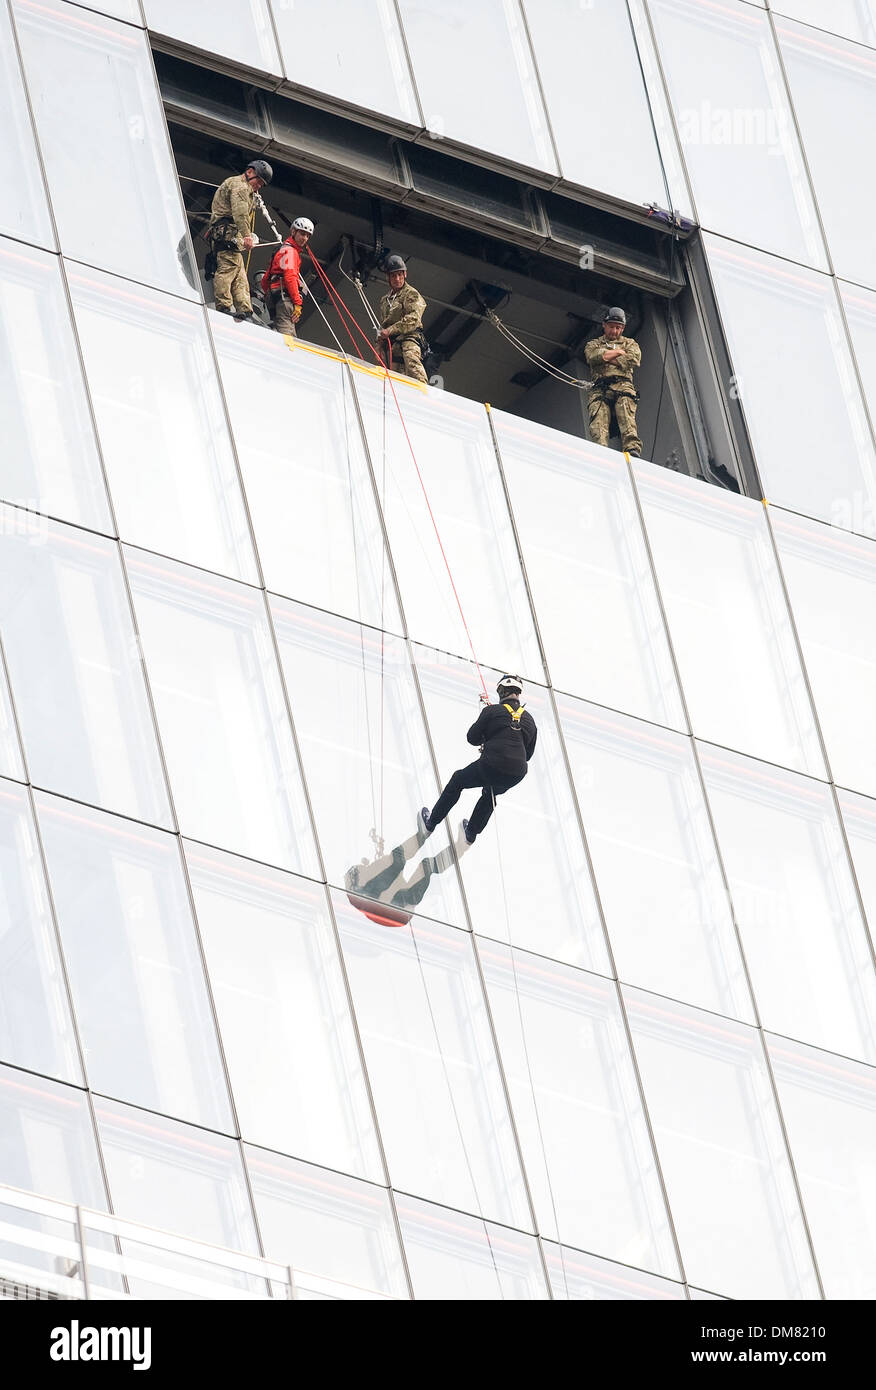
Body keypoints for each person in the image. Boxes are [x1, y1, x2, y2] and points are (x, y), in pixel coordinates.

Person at [419, 676, 537, 847]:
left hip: (492, 764)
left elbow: (471, 738)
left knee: (458, 781)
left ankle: (431, 822)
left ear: (502, 692)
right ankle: (471, 833)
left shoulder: (492, 711)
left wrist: (488, 738)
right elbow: (528, 754)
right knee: (491, 793)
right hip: (516, 773)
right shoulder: (530, 721)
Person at [205, 160, 273, 320]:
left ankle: (245, 309)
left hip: (230, 235)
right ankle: (224, 306)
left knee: (239, 274)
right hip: (227, 234)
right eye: (259, 181)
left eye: (262, 184)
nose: (258, 186)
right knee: (228, 268)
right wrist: (247, 235)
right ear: (250, 172)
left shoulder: (239, 186)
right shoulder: (241, 187)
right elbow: (240, 213)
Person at [584, 307, 643, 457]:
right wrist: (618, 353)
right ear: (604, 325)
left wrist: (606, 357)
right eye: (611, 327)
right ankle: (600, 450)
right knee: (598, 416)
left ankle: (631, 448)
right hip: (600, 387)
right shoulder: (593, 344)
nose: (614, 331)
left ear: (622, 328)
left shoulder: (630, 344)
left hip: (623, 385)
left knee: (625, 411)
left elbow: (633, 359)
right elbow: (593, 357)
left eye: (618, 328)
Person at [377, 254, 428, 383]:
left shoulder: (411, 294)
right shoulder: (385, 300)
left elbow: (413, 319)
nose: (397, 279)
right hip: (393, 344)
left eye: (400, 275)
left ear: (405, 274)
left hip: (409, 337)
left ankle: (423, 390)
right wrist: (379, 346)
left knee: (411, 362)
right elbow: (383, 325)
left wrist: (390, 330)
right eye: (393, 275)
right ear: (388, 277)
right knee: (394, 376)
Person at [261, 216, 314, 336]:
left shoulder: (281, 249)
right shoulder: (291, 252)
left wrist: (269, 294)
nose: (304, 238)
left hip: (274, 297)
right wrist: (297, 302)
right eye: (302, 233)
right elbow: (290, 277)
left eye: (307, 236)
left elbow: (265, 279)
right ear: (293, 231)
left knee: (277, 331)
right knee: (288, 337)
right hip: (284, 300)